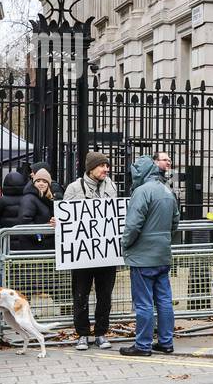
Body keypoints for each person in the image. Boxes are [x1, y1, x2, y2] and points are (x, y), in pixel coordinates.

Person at [120, 152, 179, 357]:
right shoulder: (166, 190)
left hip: (142, 257)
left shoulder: (141, 192)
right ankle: (166, 342)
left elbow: (133, 225)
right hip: (162, 254)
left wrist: (125, 245)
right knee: (164, 300)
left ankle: (143, 345)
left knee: (143, 302)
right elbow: (175, 222)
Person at [63, 151, 119, 350]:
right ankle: (83, 334)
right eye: (102, 165)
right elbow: (66, 217)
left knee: (105, 295)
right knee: (80, 294)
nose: (106, 169)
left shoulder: (111, 186)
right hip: (82, 254)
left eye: (107, 165)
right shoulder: (74, 188)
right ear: (90, 168)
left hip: (105, 253)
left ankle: (101, 333)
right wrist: (58, 221)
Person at [17, 167, 58, 250]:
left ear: (49, 185)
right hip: (34, 248)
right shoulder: (29, 198)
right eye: (38, 181)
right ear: (34, 183)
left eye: (45, 181)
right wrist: (43, 232)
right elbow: (25, 222)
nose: (41, 183)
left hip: (42, 246)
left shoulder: (47, 199)